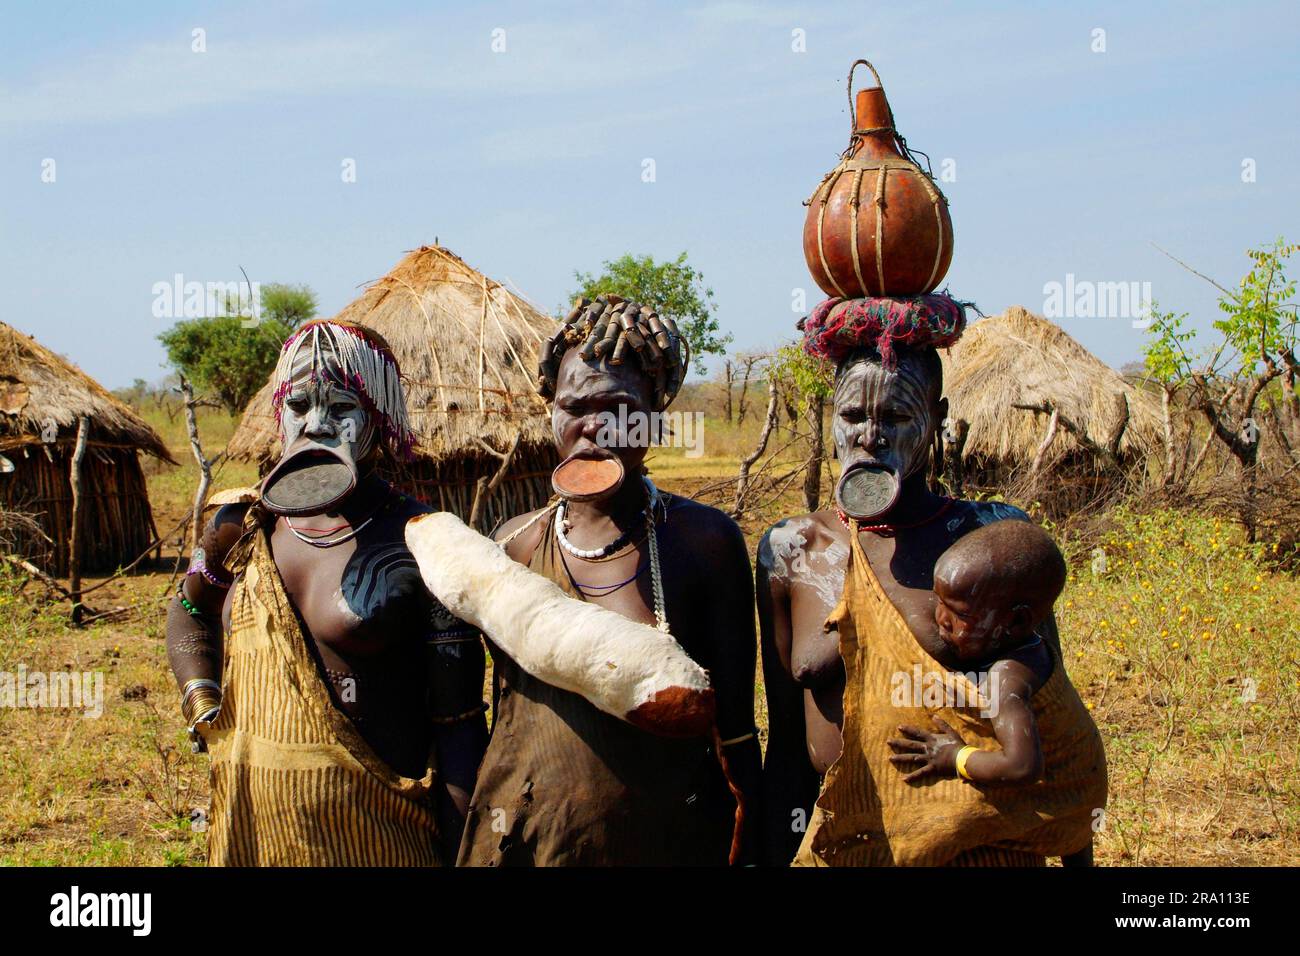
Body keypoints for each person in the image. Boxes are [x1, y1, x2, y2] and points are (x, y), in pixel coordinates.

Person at [757, 295, 1104, 866]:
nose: (869, 436)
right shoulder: (791, 550)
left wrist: (1076, 853)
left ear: (937, 419)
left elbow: (1055, 721)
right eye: (851, 418)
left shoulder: (990, 541)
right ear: (831, 417)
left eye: (894, 417)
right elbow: (789, 746)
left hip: (989, 846)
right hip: (856, 845)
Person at [166, 319, 487, 865]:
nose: (315, 424)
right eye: (299, 405)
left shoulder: (423, 542)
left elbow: (458, 727)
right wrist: (203, 702)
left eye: (341, 408)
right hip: (251, 835)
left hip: (379, 840)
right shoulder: (241, 526)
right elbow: (191, 609)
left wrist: (463, 853)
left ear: (380, 421)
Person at [456, 295, 761, 866]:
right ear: (551, 413)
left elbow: (737, 732)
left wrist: (750, 845)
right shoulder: (514, 544)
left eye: (620, 406)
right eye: (575, 406)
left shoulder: (704, 543)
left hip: (667, 845)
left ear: (655, 416)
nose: (594, 426)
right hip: (531, 841)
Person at [886, 520, 1106, 865]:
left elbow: (1022, 766)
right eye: (938, 598)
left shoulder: (1006, 680)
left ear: (1016, 622)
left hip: (1067, 799)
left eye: (959, 613)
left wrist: (954, 757)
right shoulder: (1027, 644)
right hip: (1083, 788)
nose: (940, 618)